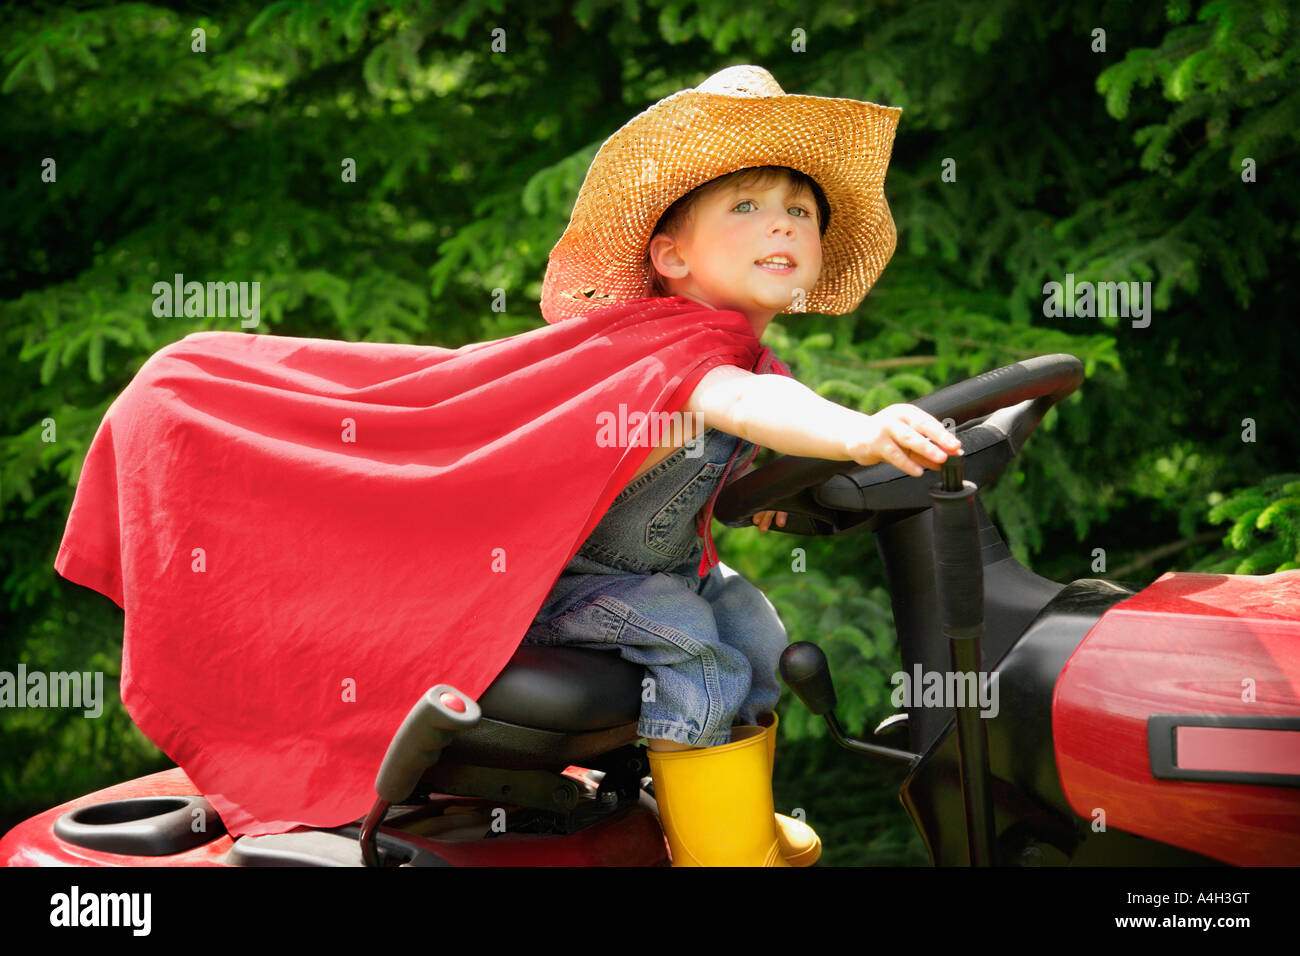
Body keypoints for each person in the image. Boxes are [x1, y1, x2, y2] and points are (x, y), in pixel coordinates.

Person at [529, 65, 963, 866]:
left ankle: (724, 811)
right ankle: (719, 852)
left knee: (756, 633)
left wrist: (760, 493)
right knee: (693, 642)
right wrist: (864, 430)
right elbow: (735, 405)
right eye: (748, 206)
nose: (784, 225)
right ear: (672, 256)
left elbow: (738, 442)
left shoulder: (751, 359)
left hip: (664, 573)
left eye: (800, 210)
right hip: (563, 587)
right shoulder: (670, 345)